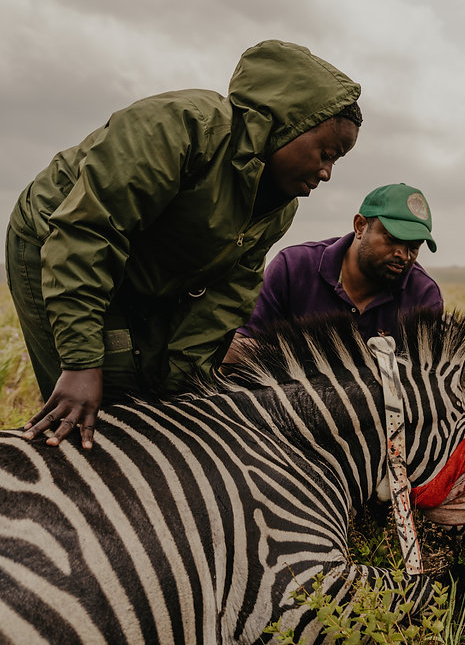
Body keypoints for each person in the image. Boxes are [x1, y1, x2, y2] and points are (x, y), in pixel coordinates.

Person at [9, 39, 363, 450]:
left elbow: (227, 298)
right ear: (284, 124)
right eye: (326, 152)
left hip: (144, 271)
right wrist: (81, 363)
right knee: (103, 403)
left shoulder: (277, 206)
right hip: (55, 240)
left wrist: (184, 394)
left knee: (155, 405)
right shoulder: (179, 128)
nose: (326, 173)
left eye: (336, 161)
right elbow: (87, 232)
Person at [230, 182, 442, 347]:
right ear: (360, 226)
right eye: (392, 239)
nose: (403, 255)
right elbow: (235, 348)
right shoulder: (292, 268)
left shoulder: (423, 296)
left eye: (414, 246)